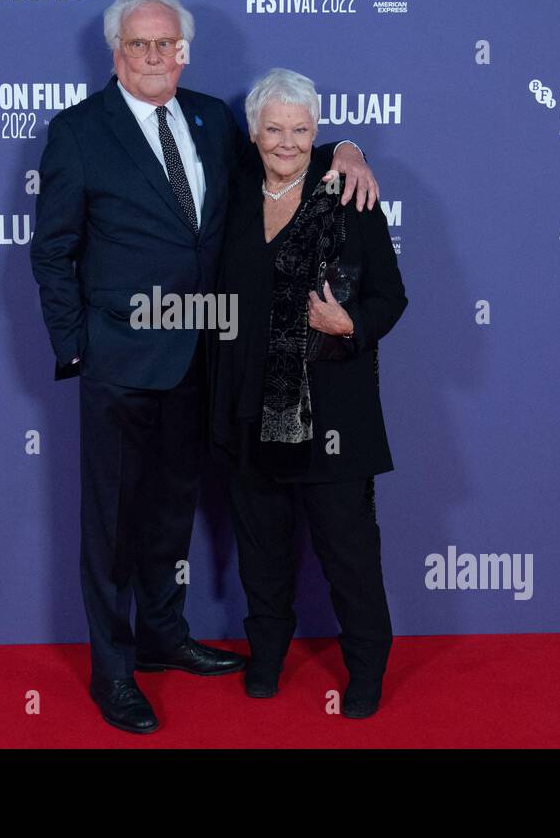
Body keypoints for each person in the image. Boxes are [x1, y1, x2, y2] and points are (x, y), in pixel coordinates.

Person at [30, 0, 379, 734]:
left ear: (182, 52)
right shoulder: (78, 133)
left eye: (166, 45)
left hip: (203, 357)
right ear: (114, 53)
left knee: (169, 512)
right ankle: (114, 670)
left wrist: (343, 148)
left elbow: (278, 159)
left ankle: (163, 635)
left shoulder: (212, 118)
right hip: (120, 360)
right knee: (113, 525)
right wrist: (76, 349)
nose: (154, 56)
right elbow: (52, 252)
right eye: (138, 45)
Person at [210, 68, 408, 719]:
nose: (286, 141)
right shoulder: (234, 192)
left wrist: (350, 325)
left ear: (316, 133)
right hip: (249, 413)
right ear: (254, 132)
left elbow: (391, 296)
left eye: (300, 129)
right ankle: (265, 657)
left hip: (333, 415)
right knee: (262, 553)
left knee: (349, 555)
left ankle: (367, 670)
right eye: (274, 128)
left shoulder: (348, 195)